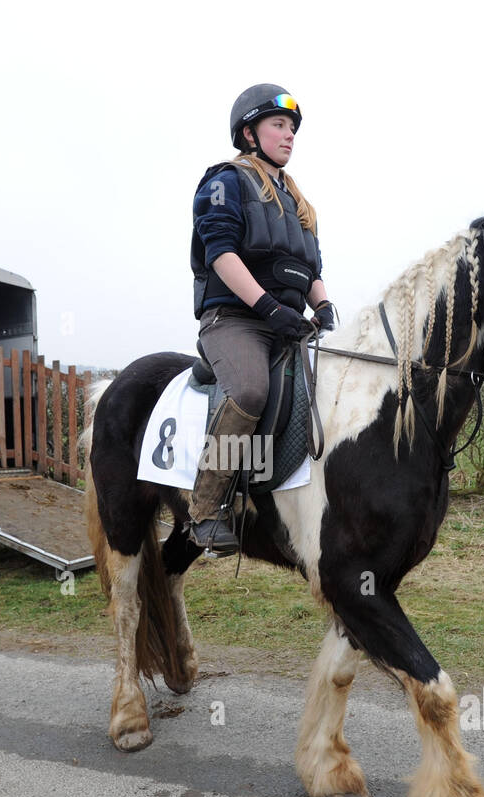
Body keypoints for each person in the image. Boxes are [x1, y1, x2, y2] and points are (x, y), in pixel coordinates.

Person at [188, 83, 336, 554]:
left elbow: (309, 268)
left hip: (289, 323)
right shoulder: (223, 182)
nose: (289, 135)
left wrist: (325, 306)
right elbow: (222, 255)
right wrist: (269, 309)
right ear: (249, 133)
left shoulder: (296, 202)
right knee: (251, 389)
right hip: (235, 320)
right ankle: (206, 509)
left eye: (292, 127)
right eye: (279, 125)